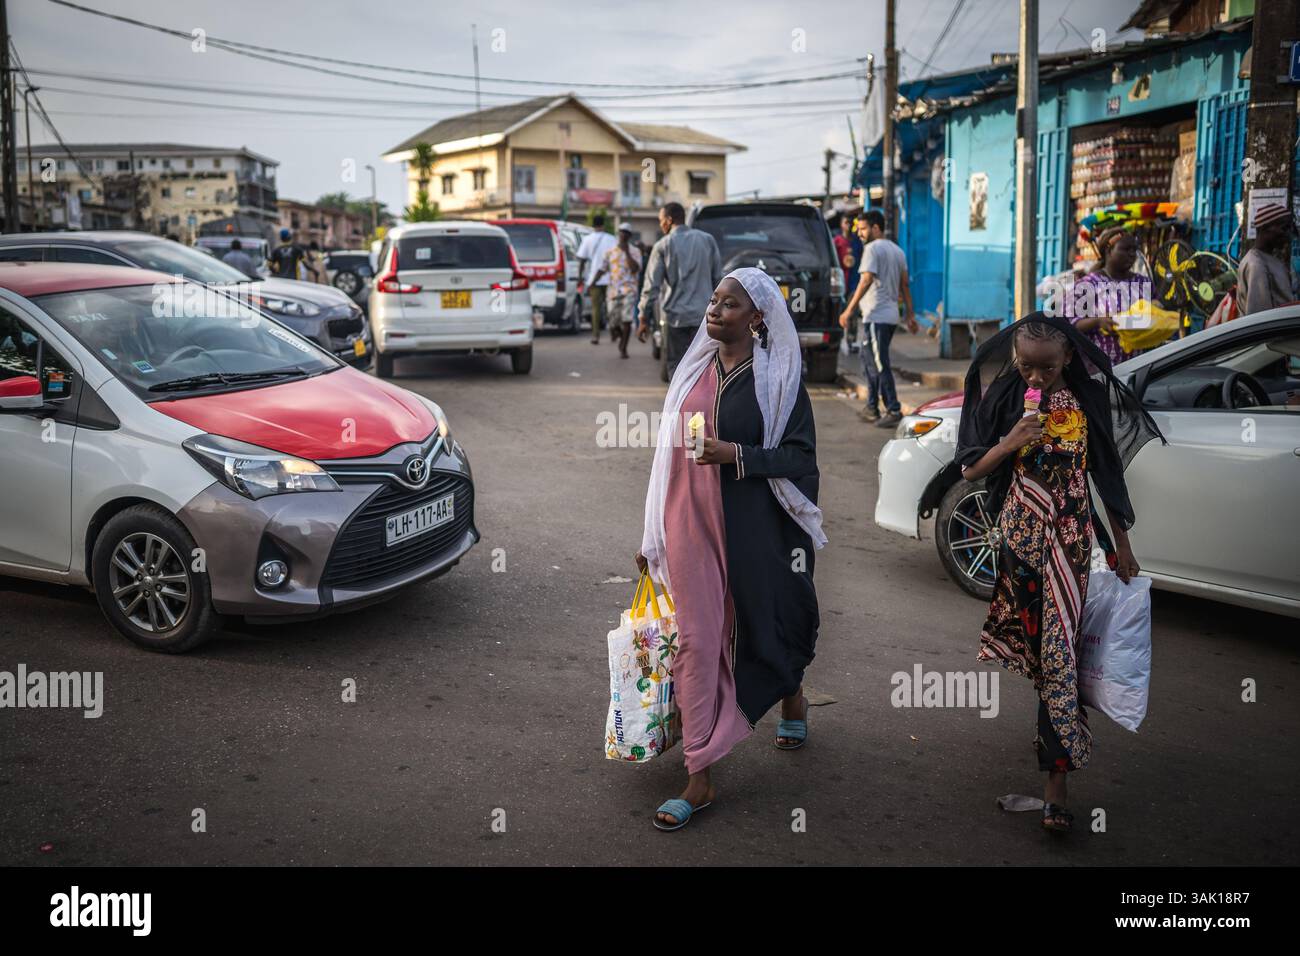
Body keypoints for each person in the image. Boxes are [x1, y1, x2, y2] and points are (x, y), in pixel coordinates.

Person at [955, 314, 1162, 834]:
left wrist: (1122, 544)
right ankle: (1054, 733)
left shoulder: (1085, 401)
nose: (1035, 378)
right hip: (1021, 542)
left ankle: (1055, 785)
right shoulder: (1007, 399)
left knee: (1058, 653)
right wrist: (1011, 439)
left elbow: (1105, 472)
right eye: (1025, 366)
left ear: (1068, 357)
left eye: (1046, 367)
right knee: (1043, 653)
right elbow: (970, 469)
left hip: (1071, 544)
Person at [635, 267, 825, 831]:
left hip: (756, 531)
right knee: (696, 642)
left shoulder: (779, 380)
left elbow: (799, 459)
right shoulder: (690, 373)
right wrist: (652, 538)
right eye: (713, 300)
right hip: (690, 526)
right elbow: (664, 464)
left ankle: (792, 694)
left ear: (759, 317)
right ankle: (699, 776)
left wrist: (736, 455)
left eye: (730, 304)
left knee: (769, 626)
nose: (715, 310)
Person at [837, 209, 915, 428]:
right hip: (887, 316)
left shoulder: (872, 249)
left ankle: (893, 409)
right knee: (868, 361)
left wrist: (848, 310)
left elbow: (866, 280)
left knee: (880, 363)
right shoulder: (898, 251)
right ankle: (872, 406)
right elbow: (905, 285)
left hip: (877, 315)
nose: (859, 233)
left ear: (876, 228)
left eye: (863, 229)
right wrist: (910, 314)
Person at [637, 202, 722, 378]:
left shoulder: (663, 245)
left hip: (675, 318)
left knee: (676, 368)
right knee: (704, 367)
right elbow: (718, 282)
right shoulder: (707, 240)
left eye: (661, 220)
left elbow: (652, 286)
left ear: (669, 220)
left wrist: (643, 317)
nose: (660, 225)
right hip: (703, 317)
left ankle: (680, 403)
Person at [1068, 228, 1152, 365]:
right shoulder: (1089, 284)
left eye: (1134, 250)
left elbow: (1156, 311)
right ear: (1109, 251)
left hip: (1139, 365)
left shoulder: (1143, 282)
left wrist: (1156, 306)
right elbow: (1071, 323)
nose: (1132, 254)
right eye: (1126, 249)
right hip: (1100, 367)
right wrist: (1098, 321)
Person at [589, 222, 642, 358]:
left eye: (625, 232)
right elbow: (602, 269)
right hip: (613, 291)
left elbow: (635, 269)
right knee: (612, 320)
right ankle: (618, 334)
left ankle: (623, 347)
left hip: (629, 290)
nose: (622, 234)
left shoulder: (635, 251)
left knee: (627, 320)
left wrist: (626, 252)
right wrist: (592, 283)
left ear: (629, 235)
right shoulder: (610, 252)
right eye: (620, 232)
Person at [1236, 203, 1297, 317]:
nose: (1288, 234)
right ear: (1265, 228)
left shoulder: (1271, 260)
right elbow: (1260, 318)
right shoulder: (1256, 264)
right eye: (1284, 228)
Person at [576, 215, 617, 344]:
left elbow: (582, 260)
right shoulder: (611, 239)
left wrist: (580, 277)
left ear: (593, 225)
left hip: (594, 278)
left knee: (595, 308)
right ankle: (613, 332)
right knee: (611, 307)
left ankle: (595, 336)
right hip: (610, 278)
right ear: (603, 225)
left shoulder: (587, 239)